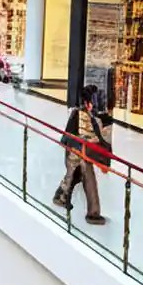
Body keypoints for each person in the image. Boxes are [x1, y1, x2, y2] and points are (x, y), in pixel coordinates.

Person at [52, 86, 109, 225]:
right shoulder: (77, 114)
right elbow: (67, 137)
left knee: (73, 176)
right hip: (76, 152)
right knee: (85, 175)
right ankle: (93, 213)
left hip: (87, 152)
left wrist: (105, 159)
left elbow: (102, 139)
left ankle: (62, 195)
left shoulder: (97, 117)